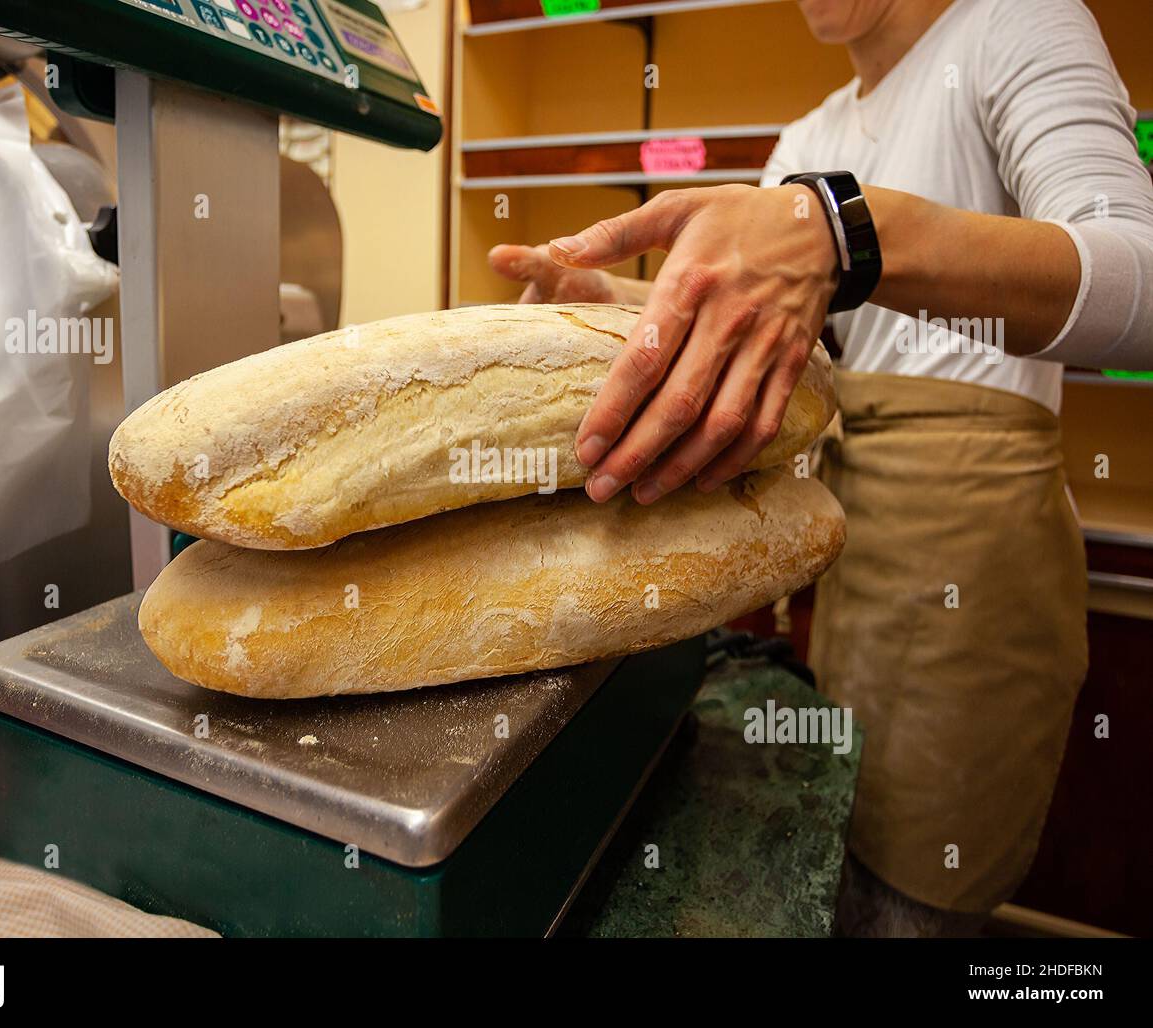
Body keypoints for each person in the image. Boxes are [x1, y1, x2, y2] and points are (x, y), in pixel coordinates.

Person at [488, 0, 1153, 936]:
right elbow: (810, 344)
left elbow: (1140, 275)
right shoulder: (813, 132)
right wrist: (615, 298)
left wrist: (841, 227)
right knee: (834, 848)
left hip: (968, 554)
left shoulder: (1018, 23)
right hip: (831, 534)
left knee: (912, 889)